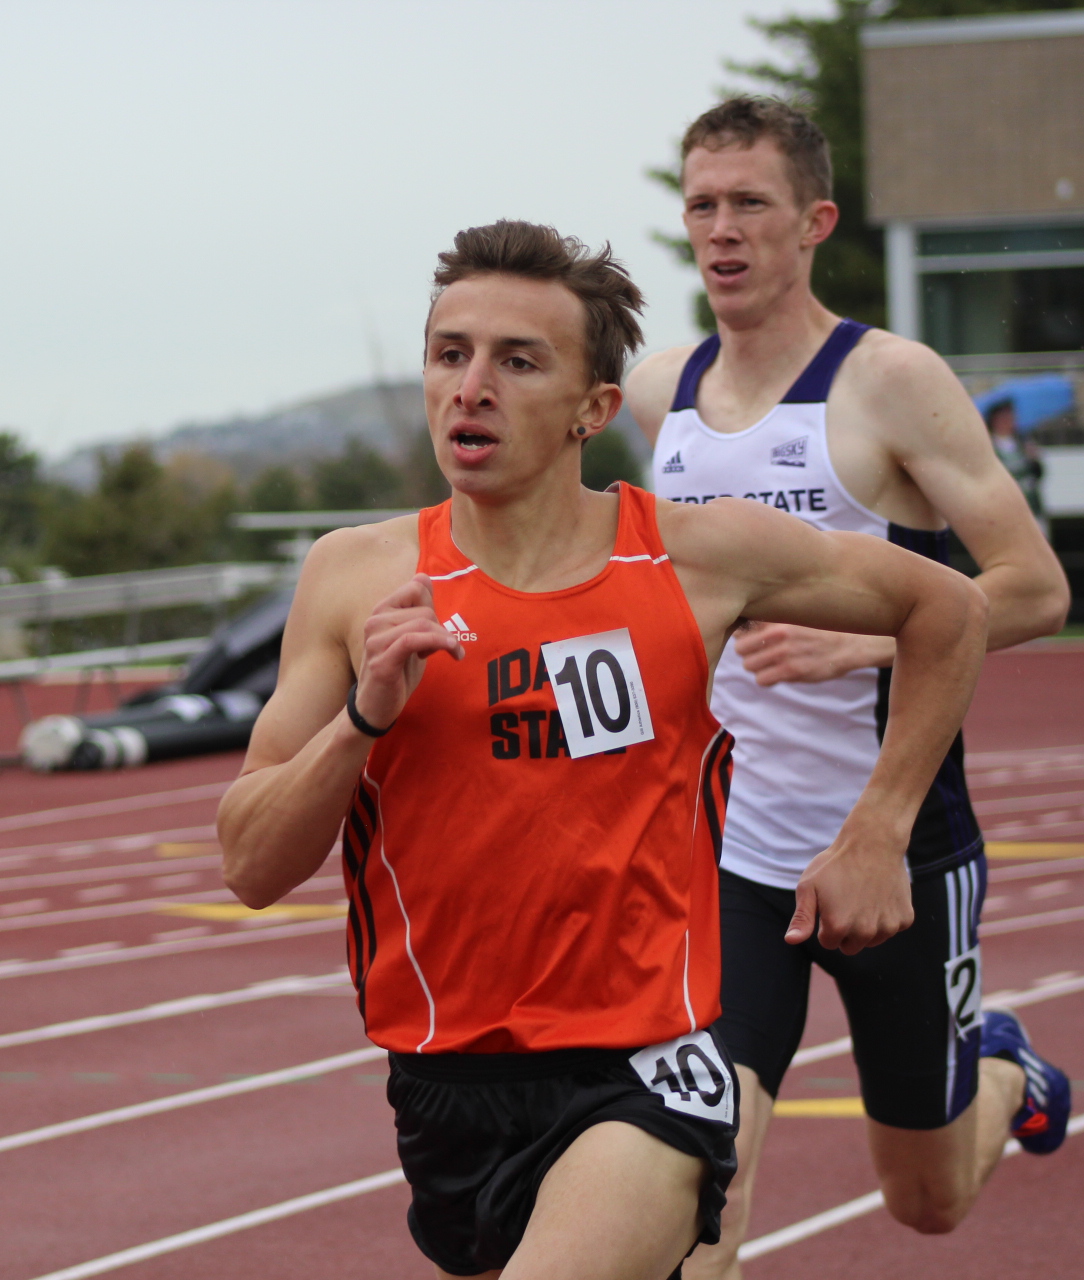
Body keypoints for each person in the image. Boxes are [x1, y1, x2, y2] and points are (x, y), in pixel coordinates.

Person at [217, 219, 988, 1280]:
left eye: (517, 360)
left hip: (646, 1063)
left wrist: (880, 826)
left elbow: (948, 610)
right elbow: (252, 864)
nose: (472, 386)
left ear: (594, 409)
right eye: (452, 353)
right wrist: (363, 719)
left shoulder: (692, 553)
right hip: (445, 1080)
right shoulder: (356, 579)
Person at [624, 97, 1074, 1278]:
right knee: (700, 1185)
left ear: (814, 219)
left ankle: (1006, 1065)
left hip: (899, 848)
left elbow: (1032, 588)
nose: (722, 230)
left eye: (751, 205)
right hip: (729, 857)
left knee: (924, 1200)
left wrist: (867, 643)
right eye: (703, 206)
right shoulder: (656, 391)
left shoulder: (890, 381)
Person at [986, 399, 1047, 533]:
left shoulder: (1022, 442)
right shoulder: (990, 445)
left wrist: (1034, 459)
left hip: (1029, 504)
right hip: (1005, 506)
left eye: (1011, 417)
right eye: (1004, 417)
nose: (1009, 421)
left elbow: (1038, 474)